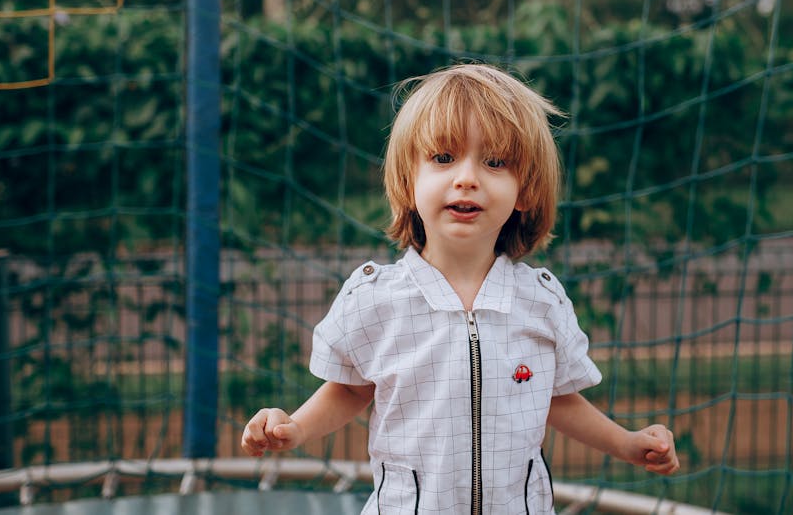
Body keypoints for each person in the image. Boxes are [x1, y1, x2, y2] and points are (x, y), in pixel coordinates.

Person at [241, 63, 679, 513]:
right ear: (409, 182)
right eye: (443, 158)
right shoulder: (375, 299)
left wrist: (626, 444)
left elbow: (557, 399)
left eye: (494, 162)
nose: (467, 177)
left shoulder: (541, 302)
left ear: (523, 191)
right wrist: (295, 426)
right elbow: (350, 389)